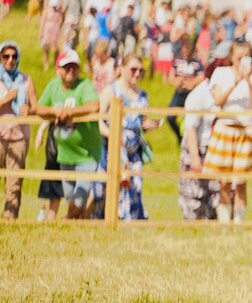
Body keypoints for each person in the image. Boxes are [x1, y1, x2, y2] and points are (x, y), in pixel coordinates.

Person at [34, 50, 101, 219]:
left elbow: (94, 106)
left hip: (87, 154)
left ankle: (64, 224)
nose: (71, 70)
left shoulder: (84, 85)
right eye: (67, 67)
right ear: (58, 69)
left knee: (78, 200)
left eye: (75, 67)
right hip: (65, 154)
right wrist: (55, 111)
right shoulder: (53, 85)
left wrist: (69, 112)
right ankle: (78, 230)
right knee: (71, 198)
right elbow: (39, 108)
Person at [205, 40, 252, 222]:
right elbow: (218, 101)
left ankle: (239, 222)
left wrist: (247, 81)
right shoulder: (221, 73)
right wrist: (235, 82)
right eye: (239, 56)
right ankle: (224, 222)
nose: (242, 60)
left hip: (245, 132)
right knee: (223, 181)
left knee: (241, 182)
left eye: (246, 57)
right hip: (225, 127)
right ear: (231, 56)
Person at [97, 55, 160, 220]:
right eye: (133, 69)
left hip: (135, 151)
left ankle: (131, 221)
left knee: (136, 186)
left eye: (141, 70)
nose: (137, 73)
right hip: (115, 150)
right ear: (122, 68)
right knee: (114, 187)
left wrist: (148, 126)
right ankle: (114, 221)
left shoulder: (142, 95)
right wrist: (114, 135)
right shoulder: (111, 90)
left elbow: (140, 123)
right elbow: (99, 122)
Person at [178, 54, 228, 221]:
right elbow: (190, 128)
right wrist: (194, 157)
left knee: (215, 195)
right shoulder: (199, 95)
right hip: (198, 147)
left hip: (217, 148)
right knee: (195, 195)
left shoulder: (226, 93)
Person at [0, 41, 36, 218]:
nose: (10, 60)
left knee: (14, 182)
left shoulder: (26, 80)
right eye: (5, 56)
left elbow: (35, 105)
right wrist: (6, 99)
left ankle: (9, 219)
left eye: (14, 56)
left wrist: (29, 109)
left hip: (19, 138)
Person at [166, 37, 205, 144]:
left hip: (191, 94)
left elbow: (202, 77)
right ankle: (179, 137)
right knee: (170, 117)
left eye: (187, 48)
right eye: (184, 48)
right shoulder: (178, 60)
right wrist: (176, 81)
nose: (185, 50)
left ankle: (190, 140)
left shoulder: (197, 62)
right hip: (179, 93)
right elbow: (171, 76)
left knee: (191, 119)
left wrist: (192, 83)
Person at [39, 0, 63, 70]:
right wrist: (41, 32)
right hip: (48, 28)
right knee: (46, 47)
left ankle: (56, 64)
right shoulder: (47, 10)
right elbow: (43, 20)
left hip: (55, 28)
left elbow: (61, 20)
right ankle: (46, 63)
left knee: (57, 47)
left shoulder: (58, 11)